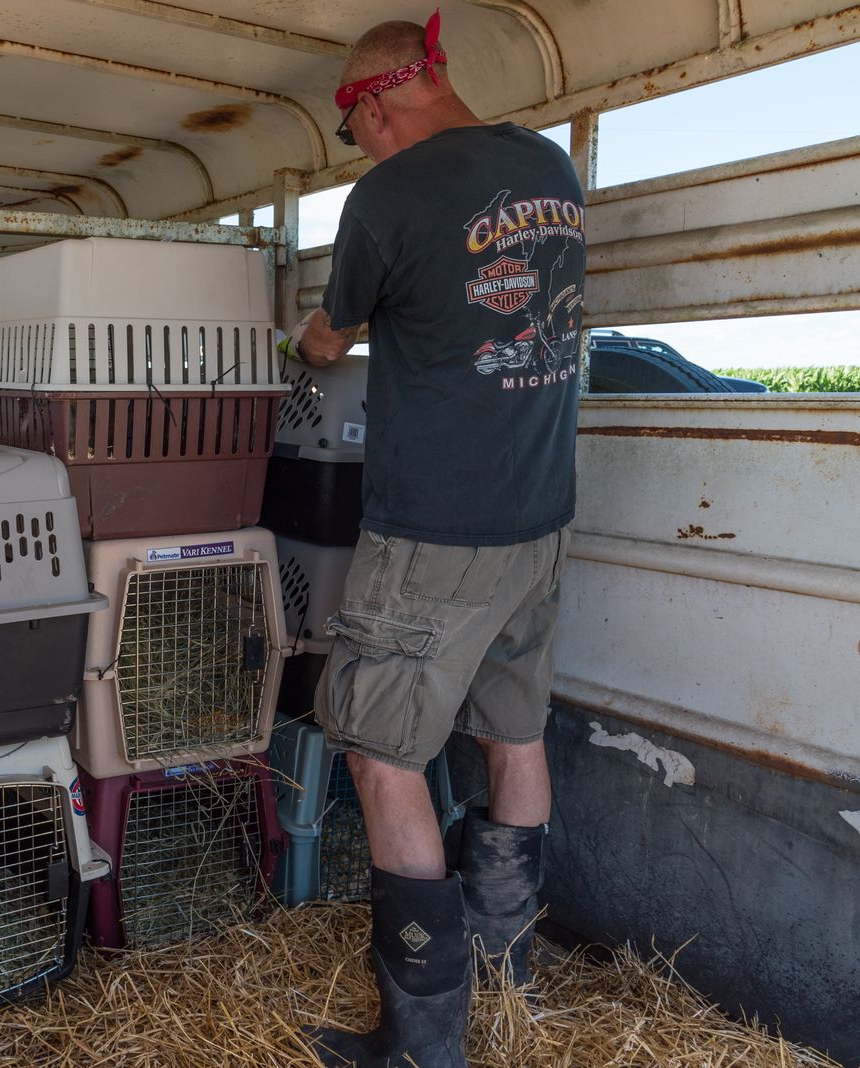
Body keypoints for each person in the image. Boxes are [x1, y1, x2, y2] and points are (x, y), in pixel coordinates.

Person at [278, 9, 586, 1067]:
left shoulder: (389, 195)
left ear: (374, 100)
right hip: (538, 518)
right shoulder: (549, 167)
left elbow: (336, 329)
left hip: (434, 535)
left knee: (378, 754)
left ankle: (420, 1044)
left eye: (348, 123)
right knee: (514, 733)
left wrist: (307, 346)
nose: (353, 144)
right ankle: (504, 985)